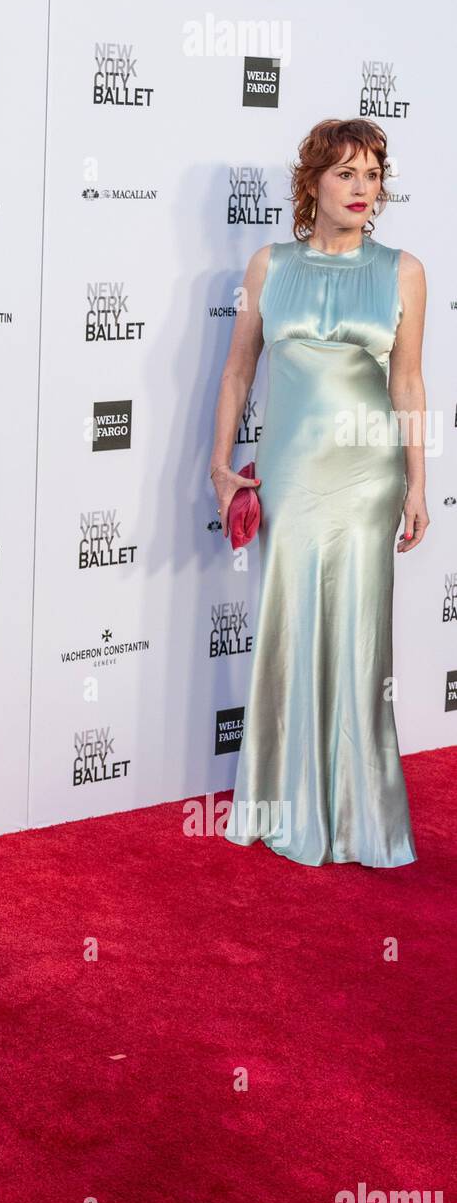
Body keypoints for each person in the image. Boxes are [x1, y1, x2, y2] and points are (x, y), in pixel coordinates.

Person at [209, 119, 428, 867]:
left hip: (369, 476)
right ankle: (283, 799)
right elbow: (239, 369)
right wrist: (219, 461)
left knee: (363, 639)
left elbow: (407, 380)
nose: (363, 187)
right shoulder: (269, 265)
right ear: (312, 184)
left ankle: (362, 814)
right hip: (293, 474)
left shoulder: (403, 271)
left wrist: (419, 483)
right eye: (346, 173)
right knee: (289, 624)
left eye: (372, 173)